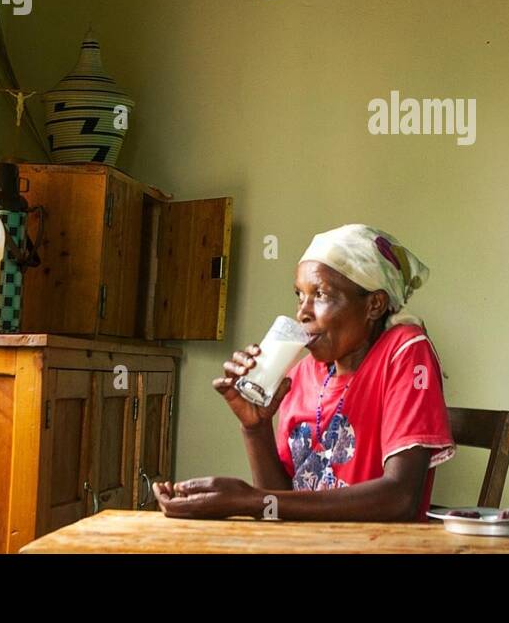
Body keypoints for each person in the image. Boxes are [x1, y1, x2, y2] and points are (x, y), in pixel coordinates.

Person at [154, 224, 455, 522]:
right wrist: (255, 428)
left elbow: (399, 499)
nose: (302, 313)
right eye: (300, 295)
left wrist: (248, 500)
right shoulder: (300, 375)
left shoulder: (405, 352)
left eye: (321, 295)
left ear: (374, 305)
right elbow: (280, 505)